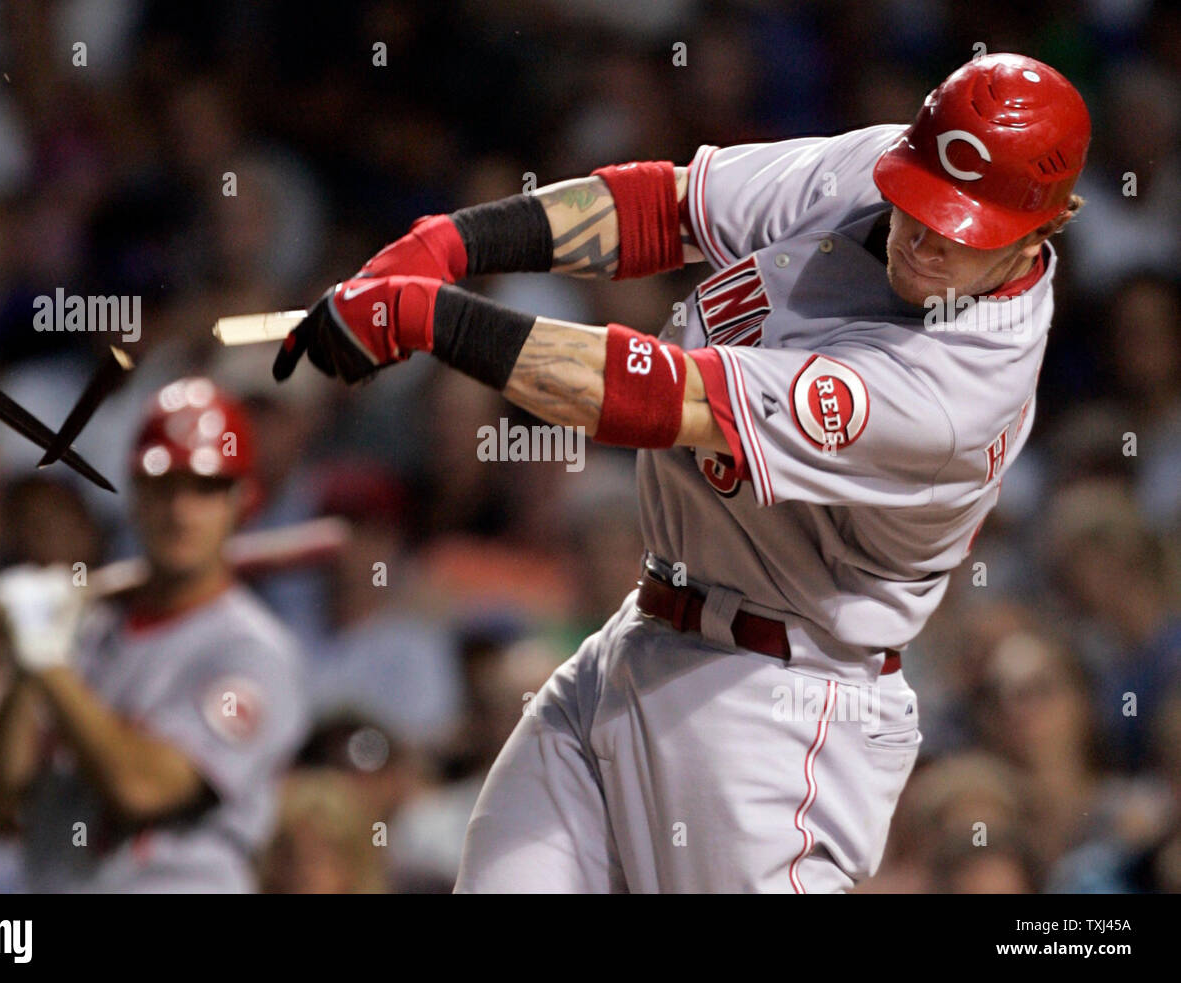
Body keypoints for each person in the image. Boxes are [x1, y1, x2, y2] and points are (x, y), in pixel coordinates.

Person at [272, 53, 1090, 893]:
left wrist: (428, 316)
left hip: (776, 710)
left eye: (963, 227)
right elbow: (659, 208)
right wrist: (447, 244)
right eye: (919, 200)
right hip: (642, 637)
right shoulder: (882, 170)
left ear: (1044, 228)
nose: (924, 234)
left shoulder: (955, 389)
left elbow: (654, 396)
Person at [0, 377, 307, 892]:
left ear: (241, 501)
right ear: (134, 494)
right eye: (163, 485)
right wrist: (24, 664)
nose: (180, 510)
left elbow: (143, 788)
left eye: (204, 487)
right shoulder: (82, 631)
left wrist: (50, 668)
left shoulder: (254, 652)